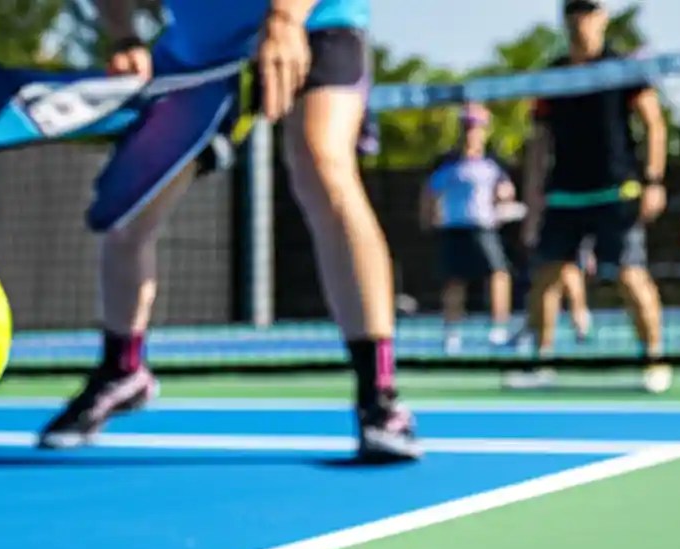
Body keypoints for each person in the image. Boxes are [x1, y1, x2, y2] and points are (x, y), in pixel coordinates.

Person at [38, 0, 421, 460]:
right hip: (198, 53)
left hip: (314, 21)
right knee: (129, 214)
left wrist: (284, 18)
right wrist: (124, 38)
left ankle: (379, 395)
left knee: (322, 163)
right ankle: (122, 369)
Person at [516, 0, 671, 393]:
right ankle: (542, 361)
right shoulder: (552, 76)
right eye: (573, 10)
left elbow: (654, 124)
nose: (579, 19)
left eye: (588, 10)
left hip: (616, 190)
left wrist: (653, 180)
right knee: (546, 276)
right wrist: (533, 201)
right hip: (564, 194)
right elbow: (538, 143)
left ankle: (653, 358)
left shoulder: (623, 69)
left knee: (628, 274)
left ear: (602, 18)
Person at [420, 103, 515, 355]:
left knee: (499, 275)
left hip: (484, 229)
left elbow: (506, 192)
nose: (471, 132)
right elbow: (430, 194)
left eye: (476, 127)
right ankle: (451, 334)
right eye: (467, 126)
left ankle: (498, 329)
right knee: (454, 282)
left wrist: (504, 200)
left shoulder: (494, 163)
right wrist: (428, 218)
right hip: (454, 229)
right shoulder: (446, 163)